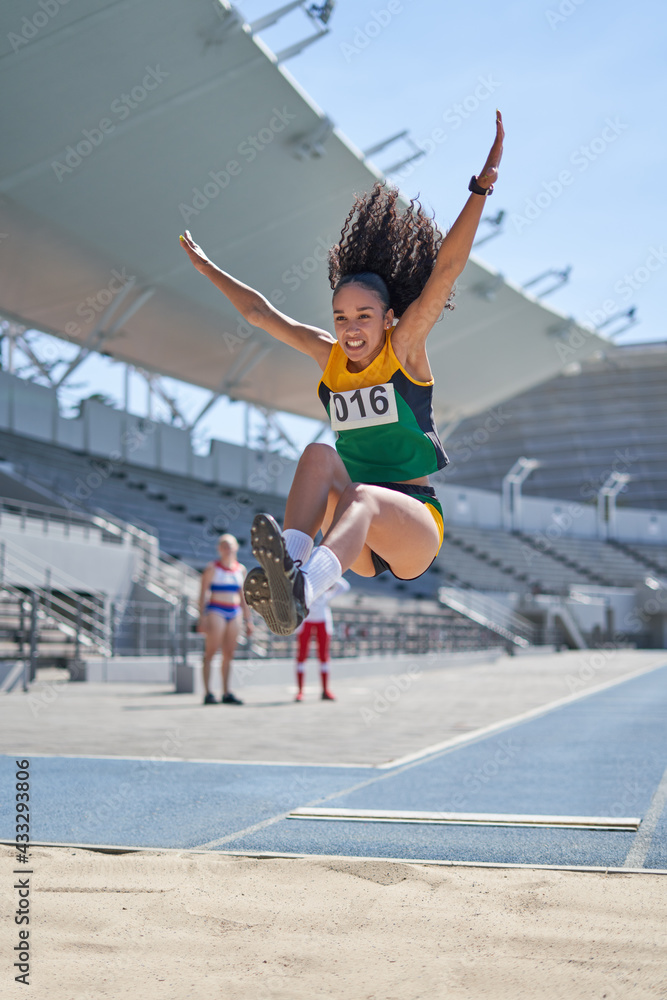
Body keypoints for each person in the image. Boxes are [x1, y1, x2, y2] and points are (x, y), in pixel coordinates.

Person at [180, 112, 504, 637]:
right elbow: (263, 316)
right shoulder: (328, 356)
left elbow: (445, 270)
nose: (350, 329)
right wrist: (209, 271)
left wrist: (480, 189)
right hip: (354, 538)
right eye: (340, 317)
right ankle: (289, 570)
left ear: (389, 318)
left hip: (412, 525)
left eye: (363, 317)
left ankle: (305, 587)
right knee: (317, 455)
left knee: (363, 496)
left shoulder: (404, 350)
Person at [197, 533, 253, 704]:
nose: (227, 549)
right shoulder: (212, 568)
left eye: (230, 545)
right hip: (216, 610)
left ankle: (226, 691)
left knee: (229, 652)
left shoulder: (240, 569)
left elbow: (243, 596)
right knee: (211, 651)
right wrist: (202, 617)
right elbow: (203, 594)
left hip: (234, 611)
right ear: (219, 549)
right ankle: (208, 692)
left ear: (236, 547)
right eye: (224, 546)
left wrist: (248, 619)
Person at [294, 576, 350, 701]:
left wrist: (329, 574)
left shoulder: (326, 593)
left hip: (323, 622)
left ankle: (325, 690)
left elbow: (344, 586)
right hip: (306, 621)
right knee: (302, 655)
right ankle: (300, 691)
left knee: (324, 656)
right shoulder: (305, 584)